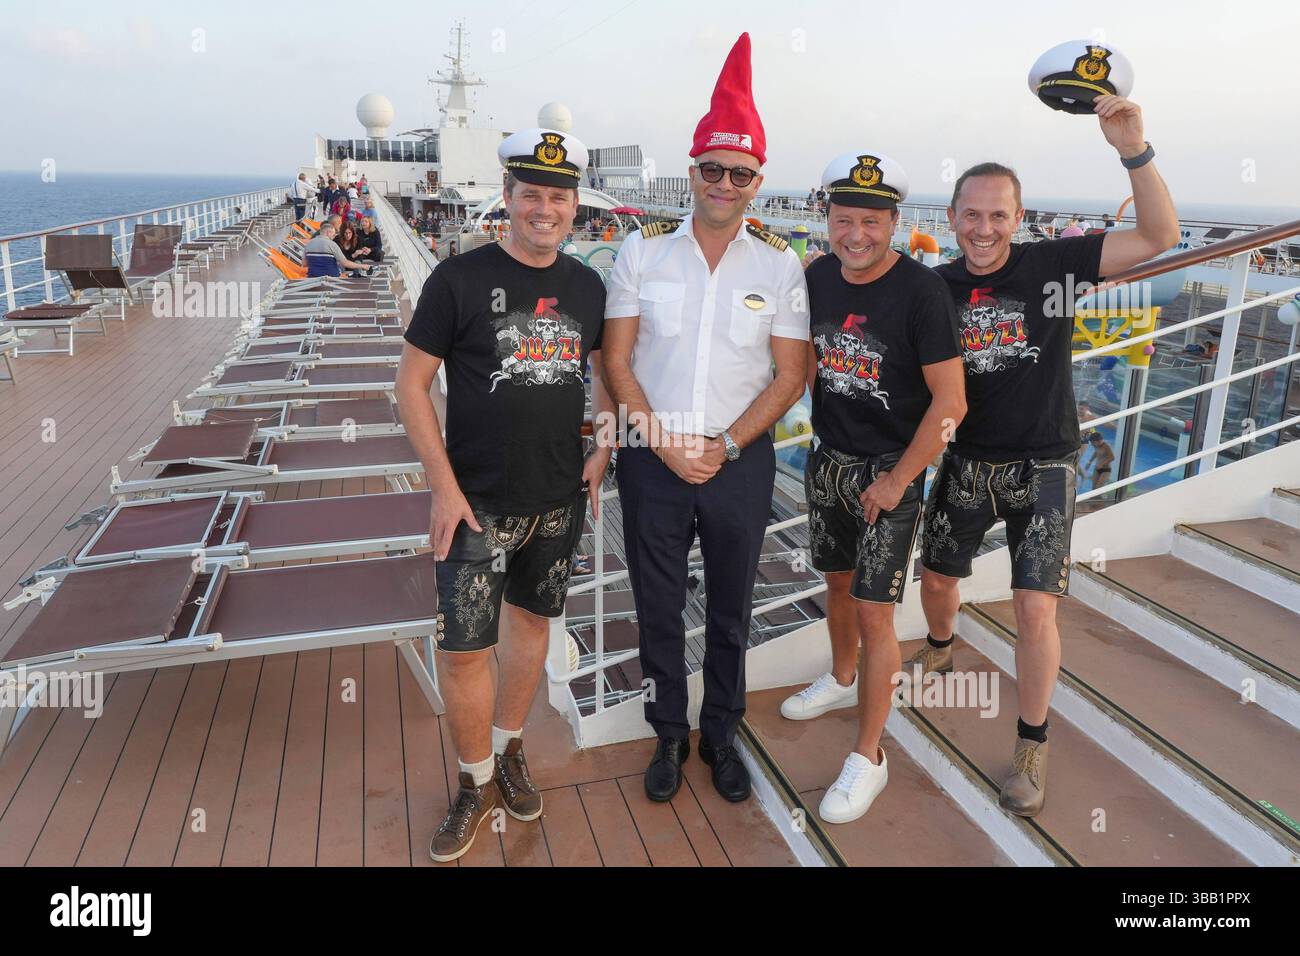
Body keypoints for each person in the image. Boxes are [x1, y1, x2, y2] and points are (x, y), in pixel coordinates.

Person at [914, 91, 1180, 817]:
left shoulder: (1054, 267)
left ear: (1018, 218)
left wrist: (1133, 148)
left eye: (998, 215)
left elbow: (1159, 234)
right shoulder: (934, 288)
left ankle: (1031, 744)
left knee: (1035, 608)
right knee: (936, 582)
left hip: (1046, 465)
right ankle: (940, 643)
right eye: (972, 215)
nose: (984, 228)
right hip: (967, 461)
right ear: (952, 218)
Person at [602, 33, 809, 804]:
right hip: (653, 460)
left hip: (738, 461)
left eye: (740, 172)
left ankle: (721, 733)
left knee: (731, 609)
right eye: (713, 169)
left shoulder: (780, 264)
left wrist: (721, 445)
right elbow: (617, 361)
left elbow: (791, 376)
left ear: (758, 181)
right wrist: (664, 445)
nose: (725, 183)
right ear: (691, 171)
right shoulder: (642, 252)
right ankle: (668, 733)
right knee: (657, 605)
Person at [396, 126, 611, 863]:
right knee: (463, 651)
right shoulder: (457, 280)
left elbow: (605, 370)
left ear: (575, 206)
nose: (544, 209)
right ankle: (474, 780)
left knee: (531, 628)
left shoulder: (588, 287)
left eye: (558, 198)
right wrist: (442, 489)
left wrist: (604, 445)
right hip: (475, 504)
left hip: (558, 500)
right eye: (531, 195)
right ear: (508, 198)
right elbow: (411, 386)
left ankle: (510, 748)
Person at [779, 151, 966, 824]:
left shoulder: (921, 292)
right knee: (835, 584)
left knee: (874, 611)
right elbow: (804, 365)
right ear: (827, 218)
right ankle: (841, 676)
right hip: (829, 460)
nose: (855, 235)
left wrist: (896, 481)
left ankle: (870, 755)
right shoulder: (816, 276)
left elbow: (951, 403)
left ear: (893, 222)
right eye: (843, 219)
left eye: (870, 222)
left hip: (890, 472)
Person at [303, 220, 370, 277]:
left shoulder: (308, 244)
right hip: (332, 278)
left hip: (313, 277)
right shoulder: (332, 244)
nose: (334, 236)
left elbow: (304, 264)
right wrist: (362, 266)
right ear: (328, 233)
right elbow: (345, 263)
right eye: (333, 234)